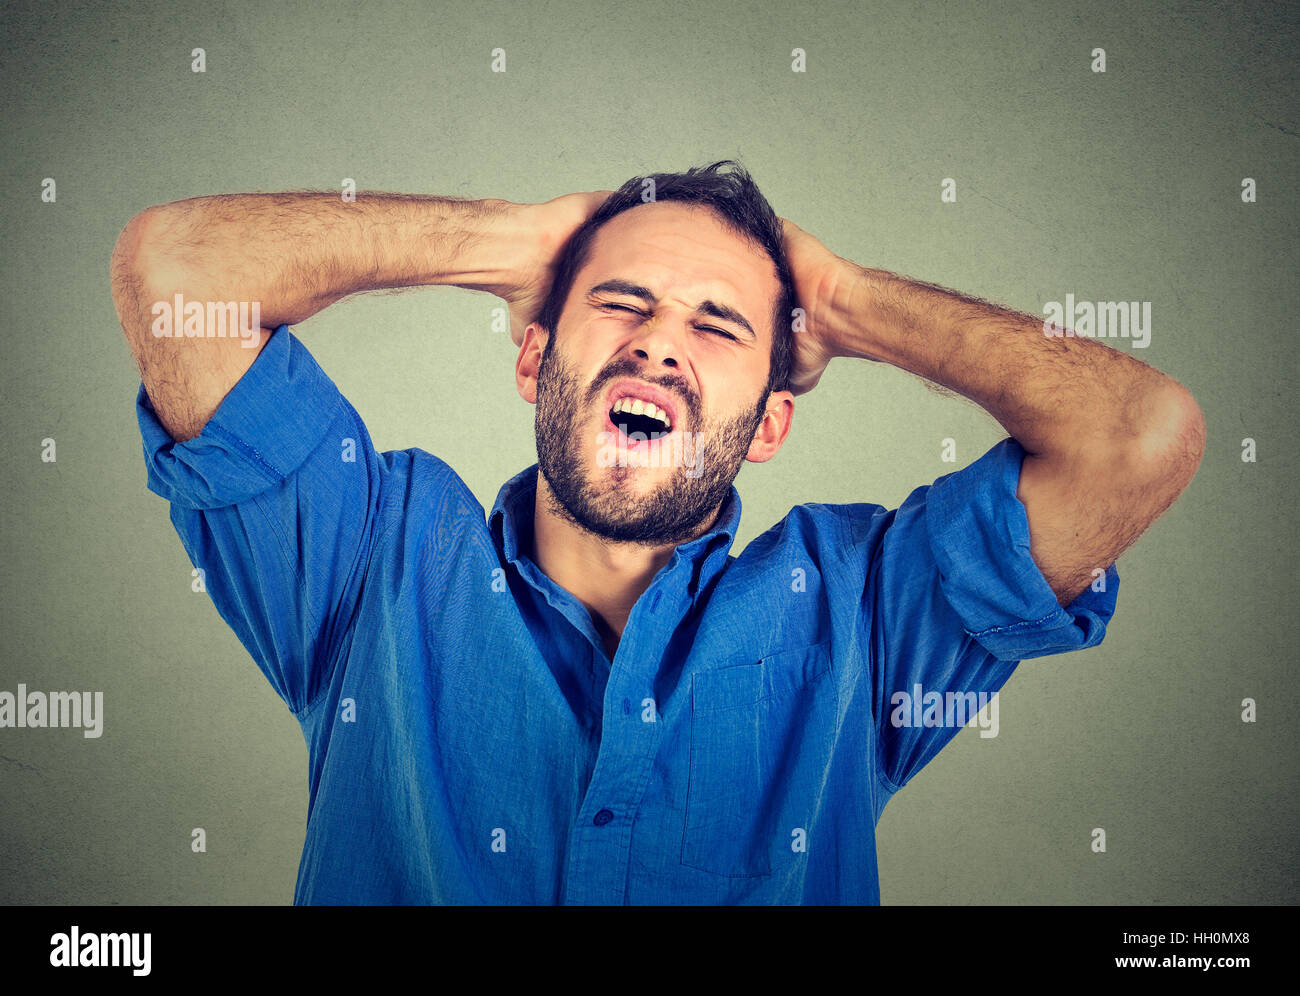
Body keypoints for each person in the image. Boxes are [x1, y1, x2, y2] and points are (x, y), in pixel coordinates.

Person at [110, 161, 1204, 904]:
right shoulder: (370, 559)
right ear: (535, 358)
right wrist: (507, 240)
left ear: (772, 421)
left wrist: (838, 297)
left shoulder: (866, 614)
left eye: (719, 324)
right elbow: (176, 276)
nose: (658, 347)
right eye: (621, 302)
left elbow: (1139, 437)